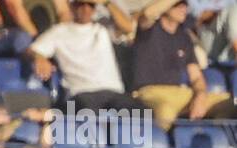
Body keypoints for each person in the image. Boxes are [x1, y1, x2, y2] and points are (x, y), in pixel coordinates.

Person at [132, 0, 235, 130]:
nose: (183, 8)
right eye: (177, 5)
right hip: (149, 92)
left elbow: (196, 77)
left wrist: (200, 96)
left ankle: (220, 147)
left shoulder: (184, 37)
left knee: (227, 104)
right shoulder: (148, 30)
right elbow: (147, 14)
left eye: (185, 5)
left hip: (179, 93)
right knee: (166, 110)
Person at [31, 0, 140, 113]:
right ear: (72, 6)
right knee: (90, 117)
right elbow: (34, 49)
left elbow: (128, 28)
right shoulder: (59, 31)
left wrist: (107, 3)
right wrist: (40, 58)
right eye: (81, 4)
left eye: (91, 5)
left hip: (113, 92)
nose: (86, 9)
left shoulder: (103, 28)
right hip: (81, 93)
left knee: (142, 116)